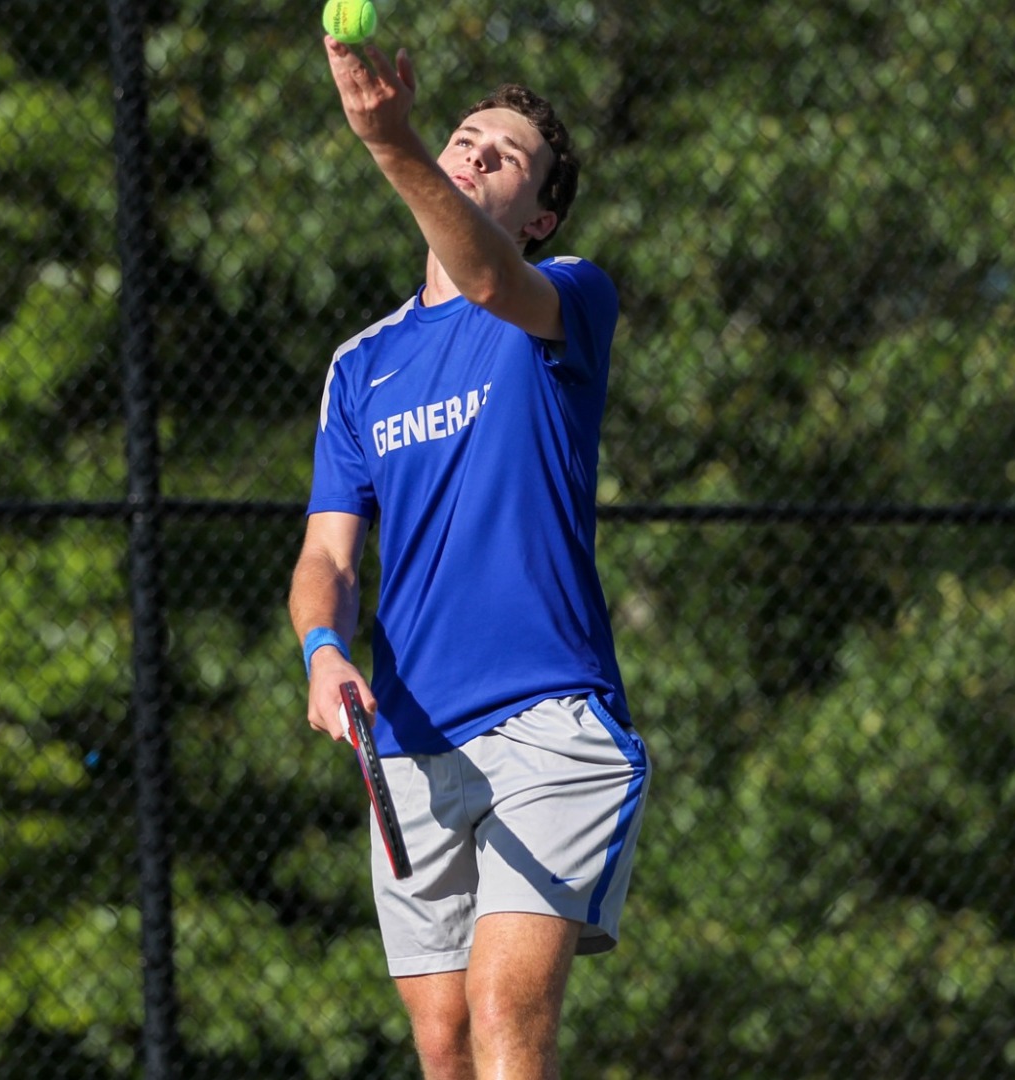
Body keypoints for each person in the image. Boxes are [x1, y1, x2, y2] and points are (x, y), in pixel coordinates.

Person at [286, 32, 650, 1080]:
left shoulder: (565, 297)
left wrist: (388, 139)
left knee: (502, 1012)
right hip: (409, 739)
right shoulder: (361, 367)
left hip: (550, 724)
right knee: (444, 1047)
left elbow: (490, 283)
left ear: (537, 215)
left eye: (507, 155)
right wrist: (321, 647)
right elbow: (329, 556)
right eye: (465, 137)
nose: (477, 152)